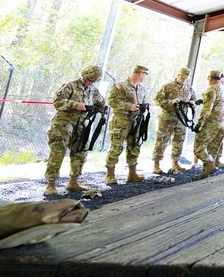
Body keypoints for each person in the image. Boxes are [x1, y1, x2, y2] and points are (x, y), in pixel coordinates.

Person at [43, 65, 105, 196]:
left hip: (82, 125)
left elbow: (101, 102)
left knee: (81, 152)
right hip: (64, 124)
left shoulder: (93, 90)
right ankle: (51, 184)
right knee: (58, 152)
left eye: (94, 81)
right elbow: (58, 102)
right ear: (84, 76)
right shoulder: (70, 86)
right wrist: (75, 105)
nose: (91, 82)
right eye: (90, 79)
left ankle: (73, 182)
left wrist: (98, 108)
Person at [104, 64, 150, 185]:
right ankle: (110, 175)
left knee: (134, 147)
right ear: (139, 73)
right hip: (121, 122)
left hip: (136, 123)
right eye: (145, 74)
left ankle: (132, 174)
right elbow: (111, 101)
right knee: (116, 148)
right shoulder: (120, 86)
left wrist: (144, 107)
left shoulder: (141, 88)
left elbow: (143, 102)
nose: (145, 77)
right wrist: (129, 106)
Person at [152, 67, 194, 174]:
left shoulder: (188, 88)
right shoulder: (167, 86)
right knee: (161, 141)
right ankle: (156, 165)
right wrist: (171, 102)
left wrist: (191, 102)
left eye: (186, 78)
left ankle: (175, 163)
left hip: (181, 119)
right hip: (167, 119)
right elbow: (157, 100)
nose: (183, 80)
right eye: (182, 77)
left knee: (179, 141)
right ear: (178, 75)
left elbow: (194, 98)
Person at [193, 70, 224, 180]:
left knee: (198, 147)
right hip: (222, 123)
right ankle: (206, 173)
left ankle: (209, 165)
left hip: (211, 123)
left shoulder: (211, 89)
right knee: (212, 149)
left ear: (210, 78)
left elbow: (207, 110)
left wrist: (199, 123)